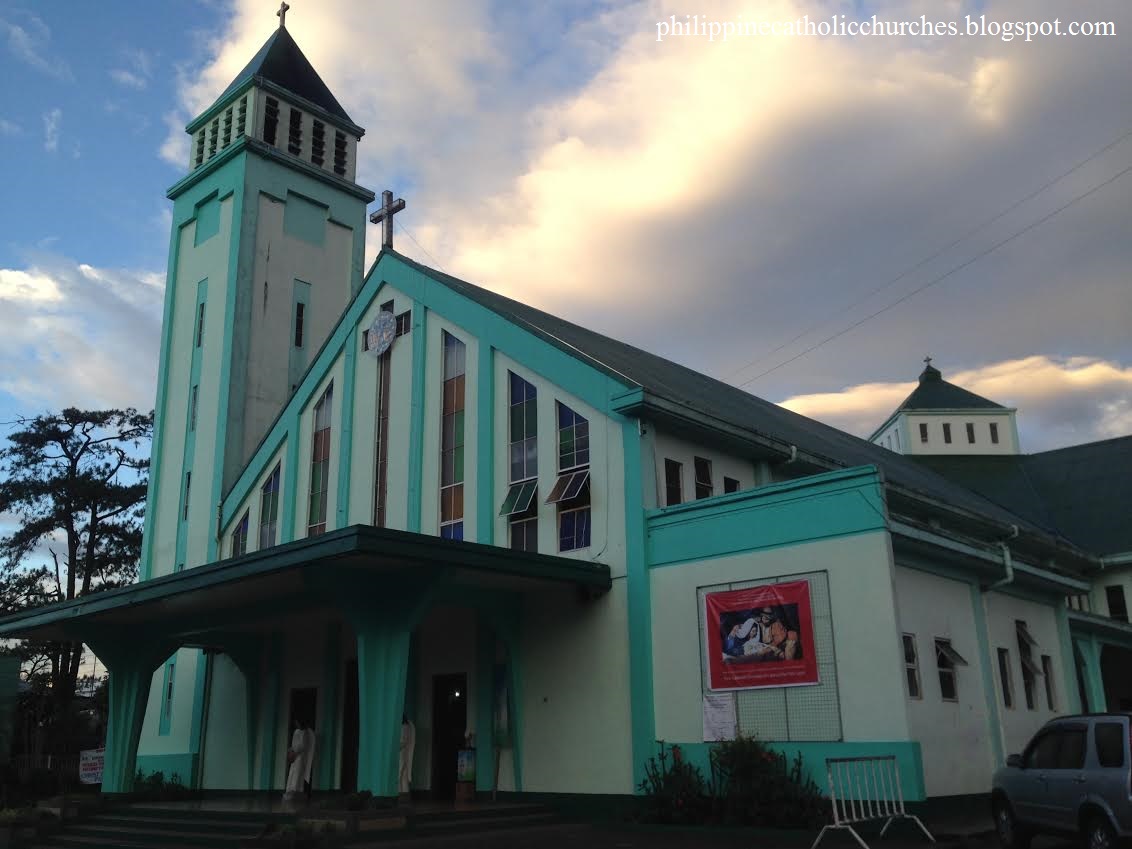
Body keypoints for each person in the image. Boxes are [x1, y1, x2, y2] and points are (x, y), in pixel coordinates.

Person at [283, 717, 316, 804]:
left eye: (297, 722)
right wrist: (290, 750)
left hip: (300, 757)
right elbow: (294, 744)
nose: (296, 724)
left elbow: (303, 745)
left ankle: (296, 790)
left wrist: (295, 752)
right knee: (292, 773)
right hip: (295, 756)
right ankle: (289, 790)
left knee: (298, 773)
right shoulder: (296, 732)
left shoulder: (305, 732)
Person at [399, 714, 416, 797]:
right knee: (403, 777)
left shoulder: (404, 727)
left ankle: (400, 796)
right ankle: (404, 797)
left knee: (399, 777)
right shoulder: (408, 726)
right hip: (403, 755)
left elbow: (403, 742)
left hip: (401, 755)